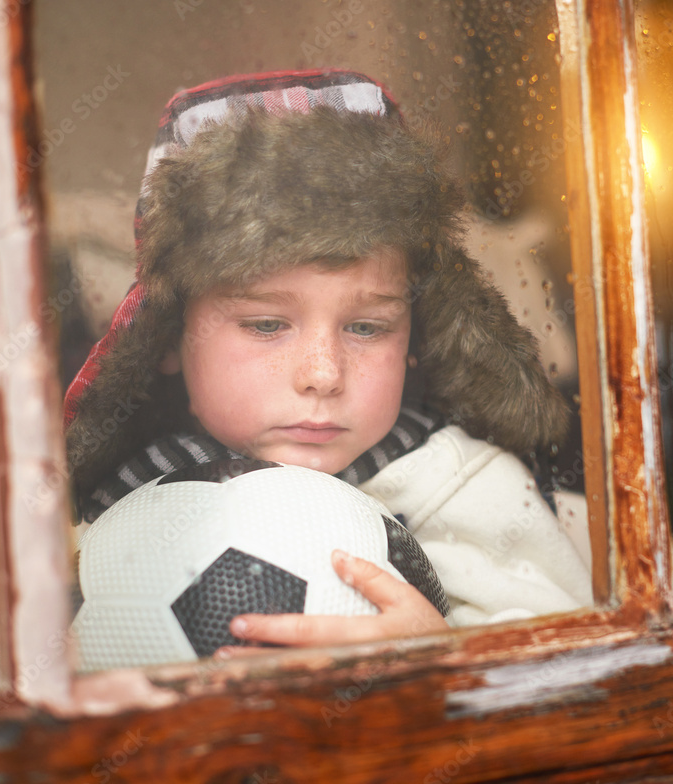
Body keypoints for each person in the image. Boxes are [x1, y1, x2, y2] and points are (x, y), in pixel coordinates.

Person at [63, 69, 592, 650]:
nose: (323, 374)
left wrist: (443, 661)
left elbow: (575, 665)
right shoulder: (116, 500)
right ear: (167, 338)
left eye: (366, 327)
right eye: (266, 325)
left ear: (413, 340)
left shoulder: (464, 486)